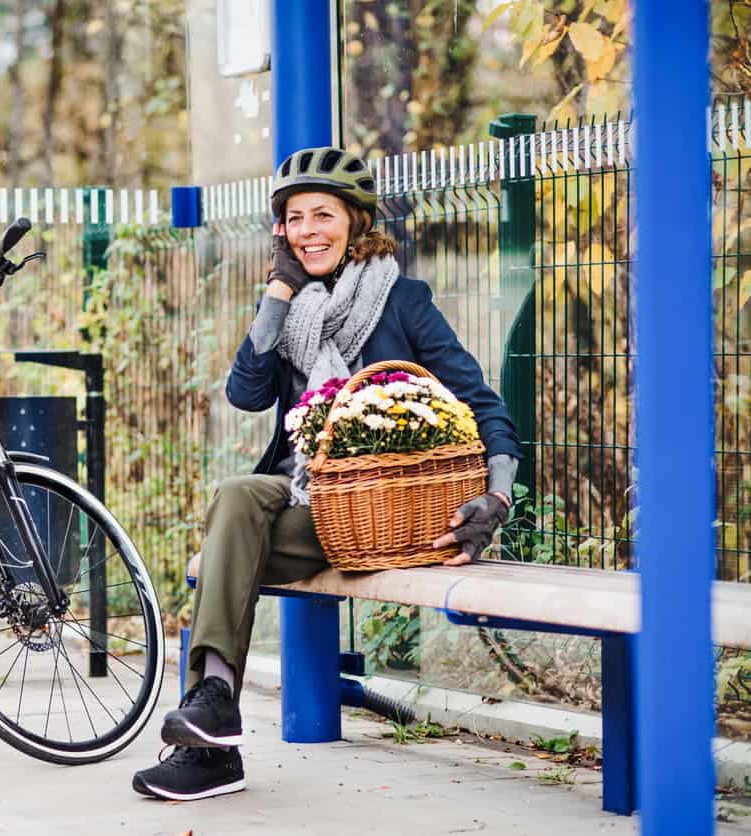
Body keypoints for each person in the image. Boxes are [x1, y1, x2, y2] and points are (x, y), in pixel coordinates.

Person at [131, 146, 524, 802]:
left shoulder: (404, 301)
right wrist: (277, 293)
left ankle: (209, 756)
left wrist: (497, 496)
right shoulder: (291, 307)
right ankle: (216, 703)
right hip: (304, 491)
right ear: (280, 231)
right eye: (295, 218)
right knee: (236, 497)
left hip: (378, 508)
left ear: (356, 222)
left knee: (228, 545)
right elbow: (246, 395)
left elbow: (479, 402)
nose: (309, 230)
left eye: (323, 215)